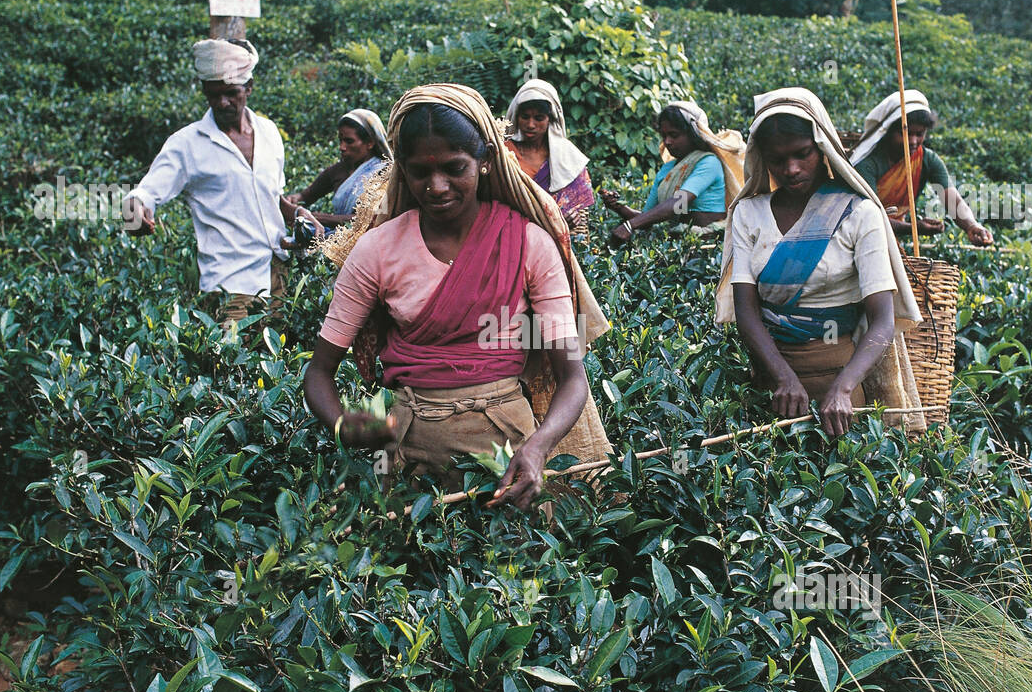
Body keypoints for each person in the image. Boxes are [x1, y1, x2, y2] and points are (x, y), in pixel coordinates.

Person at [303, 83, 613, 510]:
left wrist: (538, 448)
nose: (437, 186)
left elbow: (572, 378)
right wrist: (343, 424)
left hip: (511, 452)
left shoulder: (528, 244)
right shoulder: (377, 250)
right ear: (402, 171)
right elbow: (319, 371)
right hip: (410, 452)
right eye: (419, 172)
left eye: (454, 168)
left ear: (485, 160)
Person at [714, 87, 926, 436]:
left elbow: (882, 320)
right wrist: (783, 378)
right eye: (778, 159)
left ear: (822, 147)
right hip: (770, 384)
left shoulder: (860, 213)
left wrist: (843, 389)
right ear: (762, 157)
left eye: (802, 154)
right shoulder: (748, 213)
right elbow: (747, 313)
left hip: (841, 387)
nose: (791, 169)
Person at [123, 38, 316, 325]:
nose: (222, 102)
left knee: (278, 364)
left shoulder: (269, 133)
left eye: (230, 93)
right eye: (213, 95)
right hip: (229, 286)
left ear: (249, 88)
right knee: (233, 363)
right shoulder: (187, 144)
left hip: (278, 278)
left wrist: (299, 214)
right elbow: (143, 194)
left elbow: (271, 198)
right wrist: (133, 215)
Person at [850, 90, 994, 247]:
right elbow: (870, 218)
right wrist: (915, 228)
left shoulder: (927, 160)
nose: (913, 141)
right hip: (855, 235)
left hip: (889, 239)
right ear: (888, 132)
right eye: (905, 133)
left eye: (919, 134)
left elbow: (952, 199)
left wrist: (972, 225)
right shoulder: (868, 164)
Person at [602, 101, 745, 245]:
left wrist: (630, 225)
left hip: (706, 247)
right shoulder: (667, 169)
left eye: (674, 135)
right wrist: (619, 207)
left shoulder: (708, 162)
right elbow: (646, 218)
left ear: (693, 134)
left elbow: (679, 203)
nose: (667, 142)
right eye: (664, 136)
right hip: (677, 247)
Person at [502, 79, 595, 237]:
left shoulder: (567, 157)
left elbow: (577, 214)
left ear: (550, 119)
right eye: (525, 117)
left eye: (539, 118)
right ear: (516, 117)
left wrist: (566, 220)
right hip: (510, 235)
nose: (531, 125)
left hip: (557, 242)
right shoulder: (504, 152)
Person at [283, 109, 391, 233]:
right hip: (336, 241)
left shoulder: (384, 174)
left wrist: (316, 217)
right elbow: (306, 195)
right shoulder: (337, 170)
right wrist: (292, 201)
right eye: (340, 140)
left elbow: (372, 220)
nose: (342, 147)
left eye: (349, 141)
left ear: (370, 143)